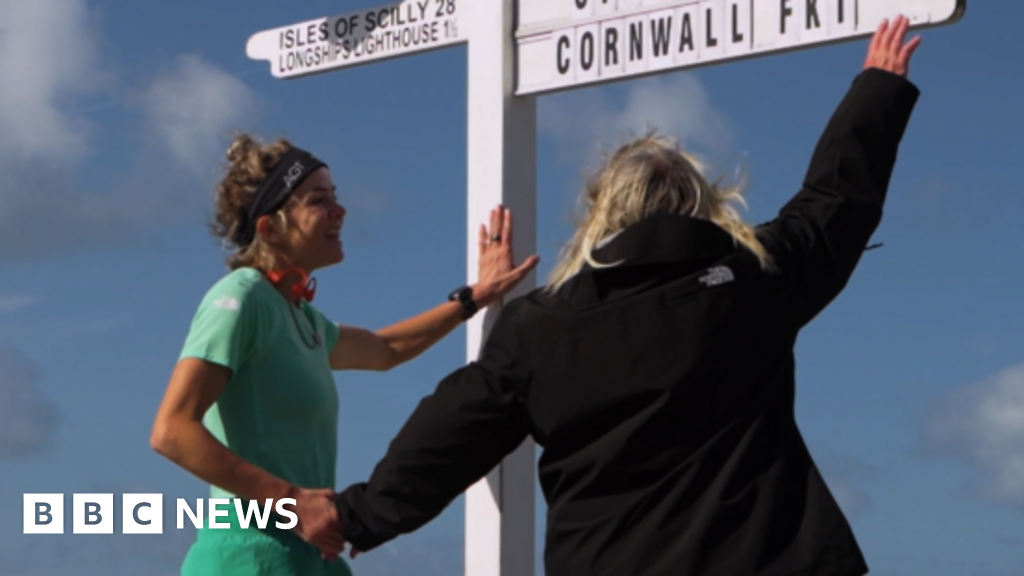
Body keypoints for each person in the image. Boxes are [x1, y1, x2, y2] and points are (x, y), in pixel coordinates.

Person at [331, 16, 923, 576]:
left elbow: (447, 435)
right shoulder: (755, 280)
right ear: (705, 204)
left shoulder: (541, 328)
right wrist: (876, 90)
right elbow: (835, 203)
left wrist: (355, 516)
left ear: (601, 213)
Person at [149, 134, 539, 576]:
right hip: (250, 557)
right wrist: (295, 504)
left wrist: (472, 298)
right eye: (318, 200)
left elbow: (386, 348)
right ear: (271, 228)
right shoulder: (241, 298)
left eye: (336, 197)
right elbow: (171, 430)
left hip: (312, 553)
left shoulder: (303, 318)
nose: (340, 210)